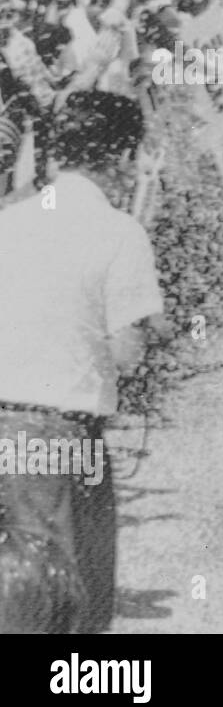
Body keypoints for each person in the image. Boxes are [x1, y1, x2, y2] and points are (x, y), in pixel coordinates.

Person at [0, 91, 164, 632]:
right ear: (119, 157)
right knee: (69, 606)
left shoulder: (8, 222)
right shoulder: (121, 232)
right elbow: (126, 354)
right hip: (63, 436)